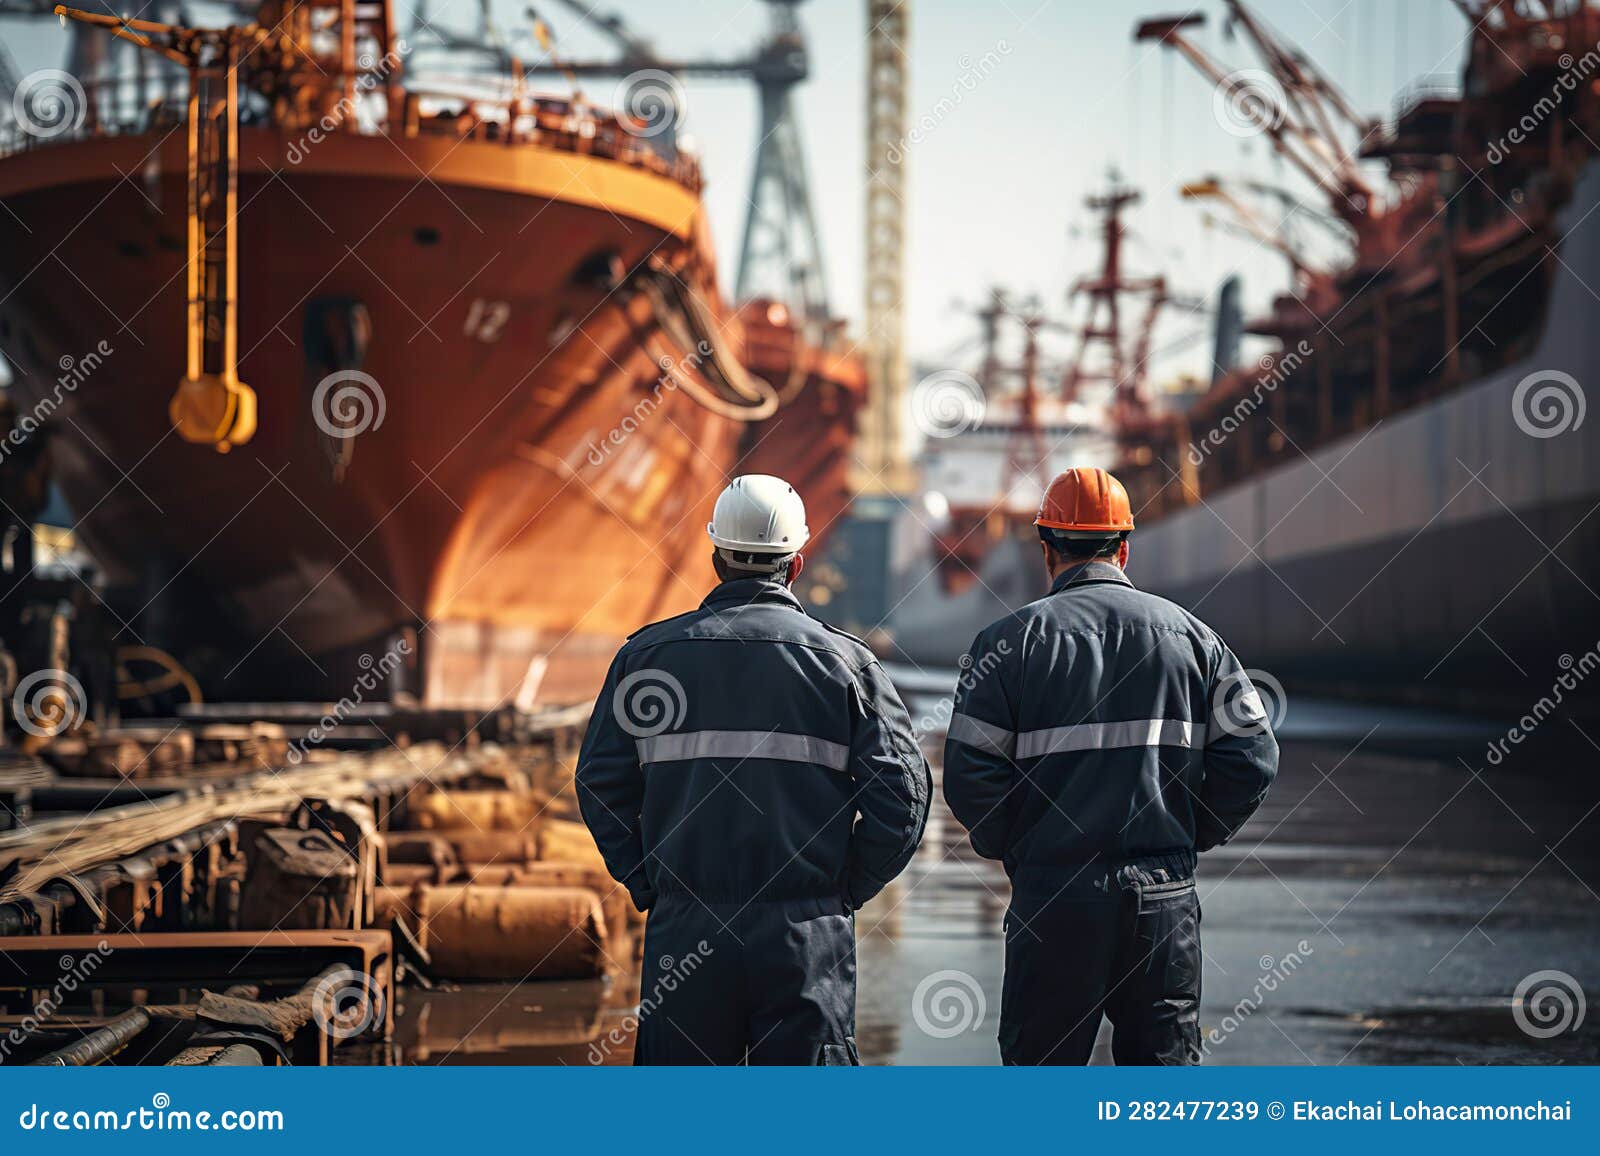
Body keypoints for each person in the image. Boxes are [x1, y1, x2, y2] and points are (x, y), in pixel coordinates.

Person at [577, 474, 931, 1065]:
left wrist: (649, 885)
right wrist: (843, 889)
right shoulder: (847, 665)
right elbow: (904, 797)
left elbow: (599, 784)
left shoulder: (646, 658)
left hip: (686, 928)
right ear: (795, 566)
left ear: (716, 559)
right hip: (804, 936)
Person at [942, 466, 1279, 1065]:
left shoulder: (1006, 644)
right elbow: (1253, 757)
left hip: (1054, 895)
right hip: (1162, 900)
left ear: (1047, 550)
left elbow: (970, 776)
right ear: (1124, 548)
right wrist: (1187, 837)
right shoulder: (1196, 639)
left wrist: (1018, 848)